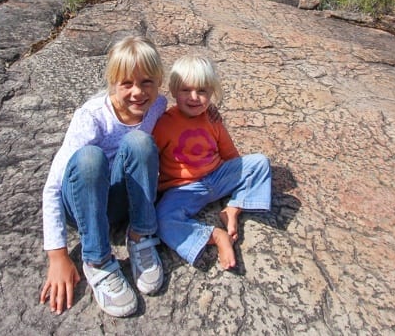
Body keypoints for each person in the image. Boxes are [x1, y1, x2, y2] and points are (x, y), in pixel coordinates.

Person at [40, 35, 167, 318]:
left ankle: (139, 235)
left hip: (120, 202)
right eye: (127, 83)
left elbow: (181, 118)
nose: (138, 92)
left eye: (147, 82)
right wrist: (57, 255)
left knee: (140, 142)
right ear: (113, 82)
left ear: (159, 82)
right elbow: (53, 187)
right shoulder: (93, 116)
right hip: (84, 202)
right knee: (89, 158)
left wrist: (208, 114)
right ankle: (97, 260)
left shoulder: (157, 106)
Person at [153, 54, 271, 270]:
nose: (194, 97)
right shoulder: (164, 124)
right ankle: (214, 236)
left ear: (211, 93)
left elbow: (230, 154)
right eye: (186, 90)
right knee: (162, 220)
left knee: (260, 162)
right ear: (173, 90)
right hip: (184, 189)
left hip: (217, 177)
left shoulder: (212, 119)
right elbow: (151, 161)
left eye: (202, 91)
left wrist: (240, 176)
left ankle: (233, 209)